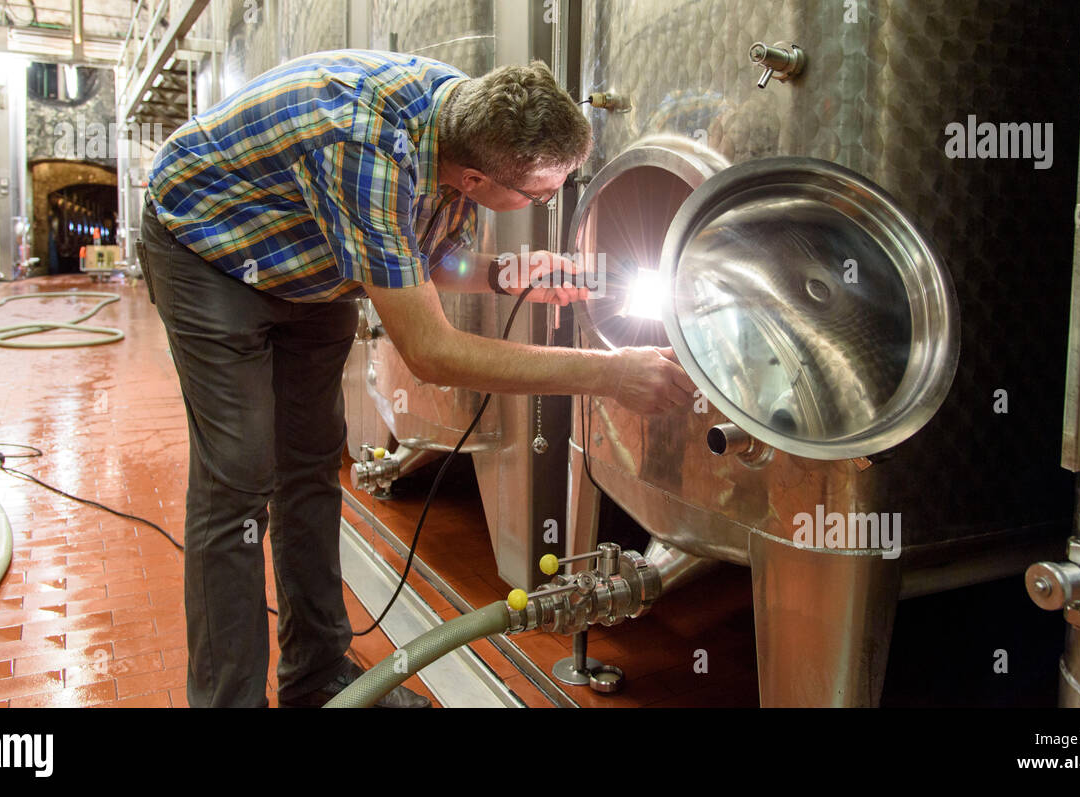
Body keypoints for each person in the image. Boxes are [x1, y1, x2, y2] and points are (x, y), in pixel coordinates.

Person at [137, 49, 693, 708]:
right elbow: (432, 352)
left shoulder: (460, 117)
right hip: (210, 250)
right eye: (540, 192)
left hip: (314, 264)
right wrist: (609, 373)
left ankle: (316, 677)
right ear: (475, 177)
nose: (547, 200)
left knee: (310, 465)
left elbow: (422, 255)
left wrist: (503, 271)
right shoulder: (364, 147)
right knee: (238, 480)